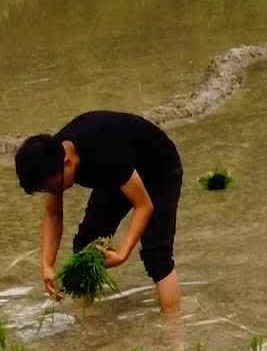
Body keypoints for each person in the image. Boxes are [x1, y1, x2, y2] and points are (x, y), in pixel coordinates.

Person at [15, 110, 184, 316]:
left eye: (52, 188)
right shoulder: (51, 159)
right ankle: (88, 324)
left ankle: (174, 331)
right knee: (86, 248)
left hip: (158, 167)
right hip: (119, 173)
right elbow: (53, 215)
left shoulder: (104, 153)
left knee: (156, 253)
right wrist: (47, 265)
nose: (52, 193)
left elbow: (144, 206)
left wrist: (122, 254)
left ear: (67, 163)